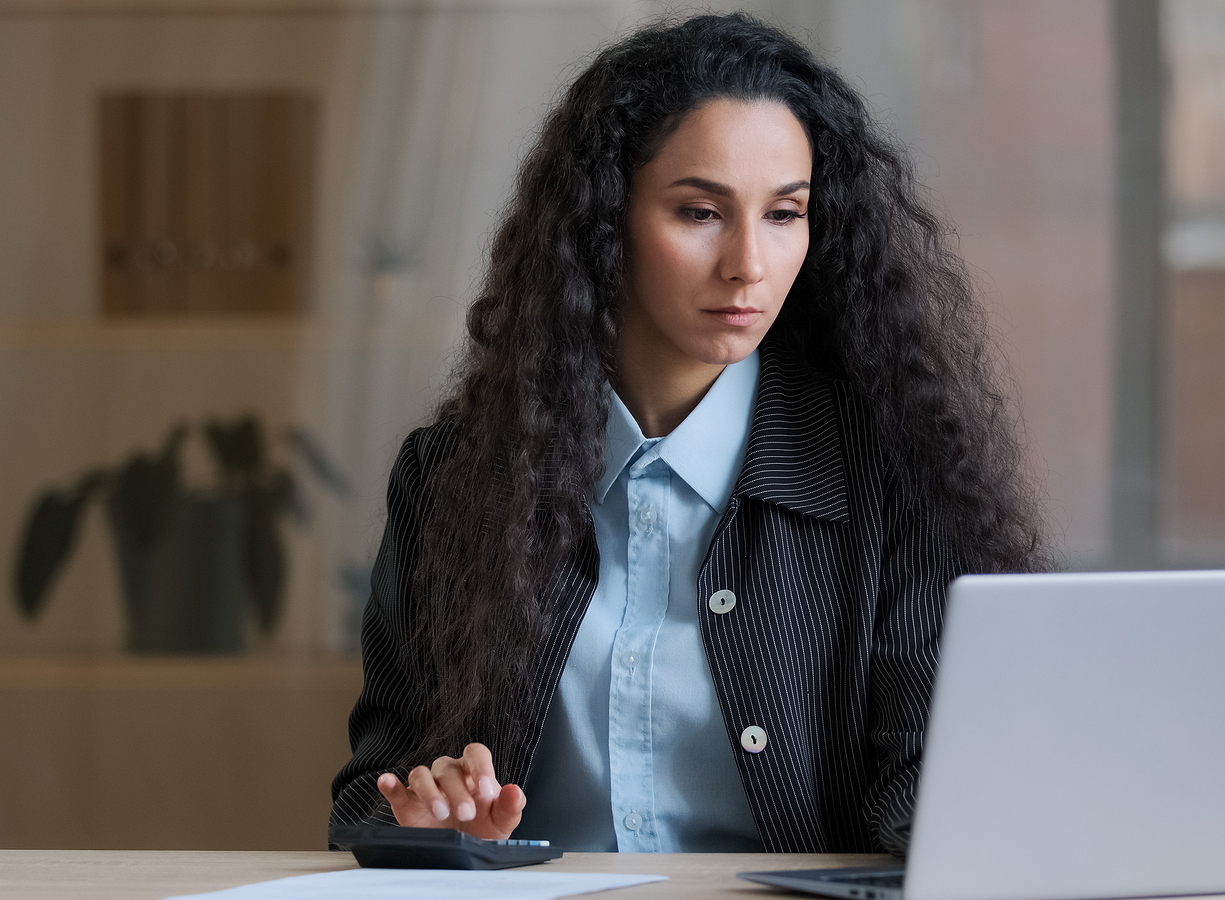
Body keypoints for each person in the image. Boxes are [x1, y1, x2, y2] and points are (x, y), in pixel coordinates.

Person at [330, 12, 1044, 855]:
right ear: (604, 222)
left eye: (785, 214)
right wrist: (430, 817)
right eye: (701, 212)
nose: (749, 262)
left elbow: (946, 780)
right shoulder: (452, 476)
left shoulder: (893, 470)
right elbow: (370, 797)